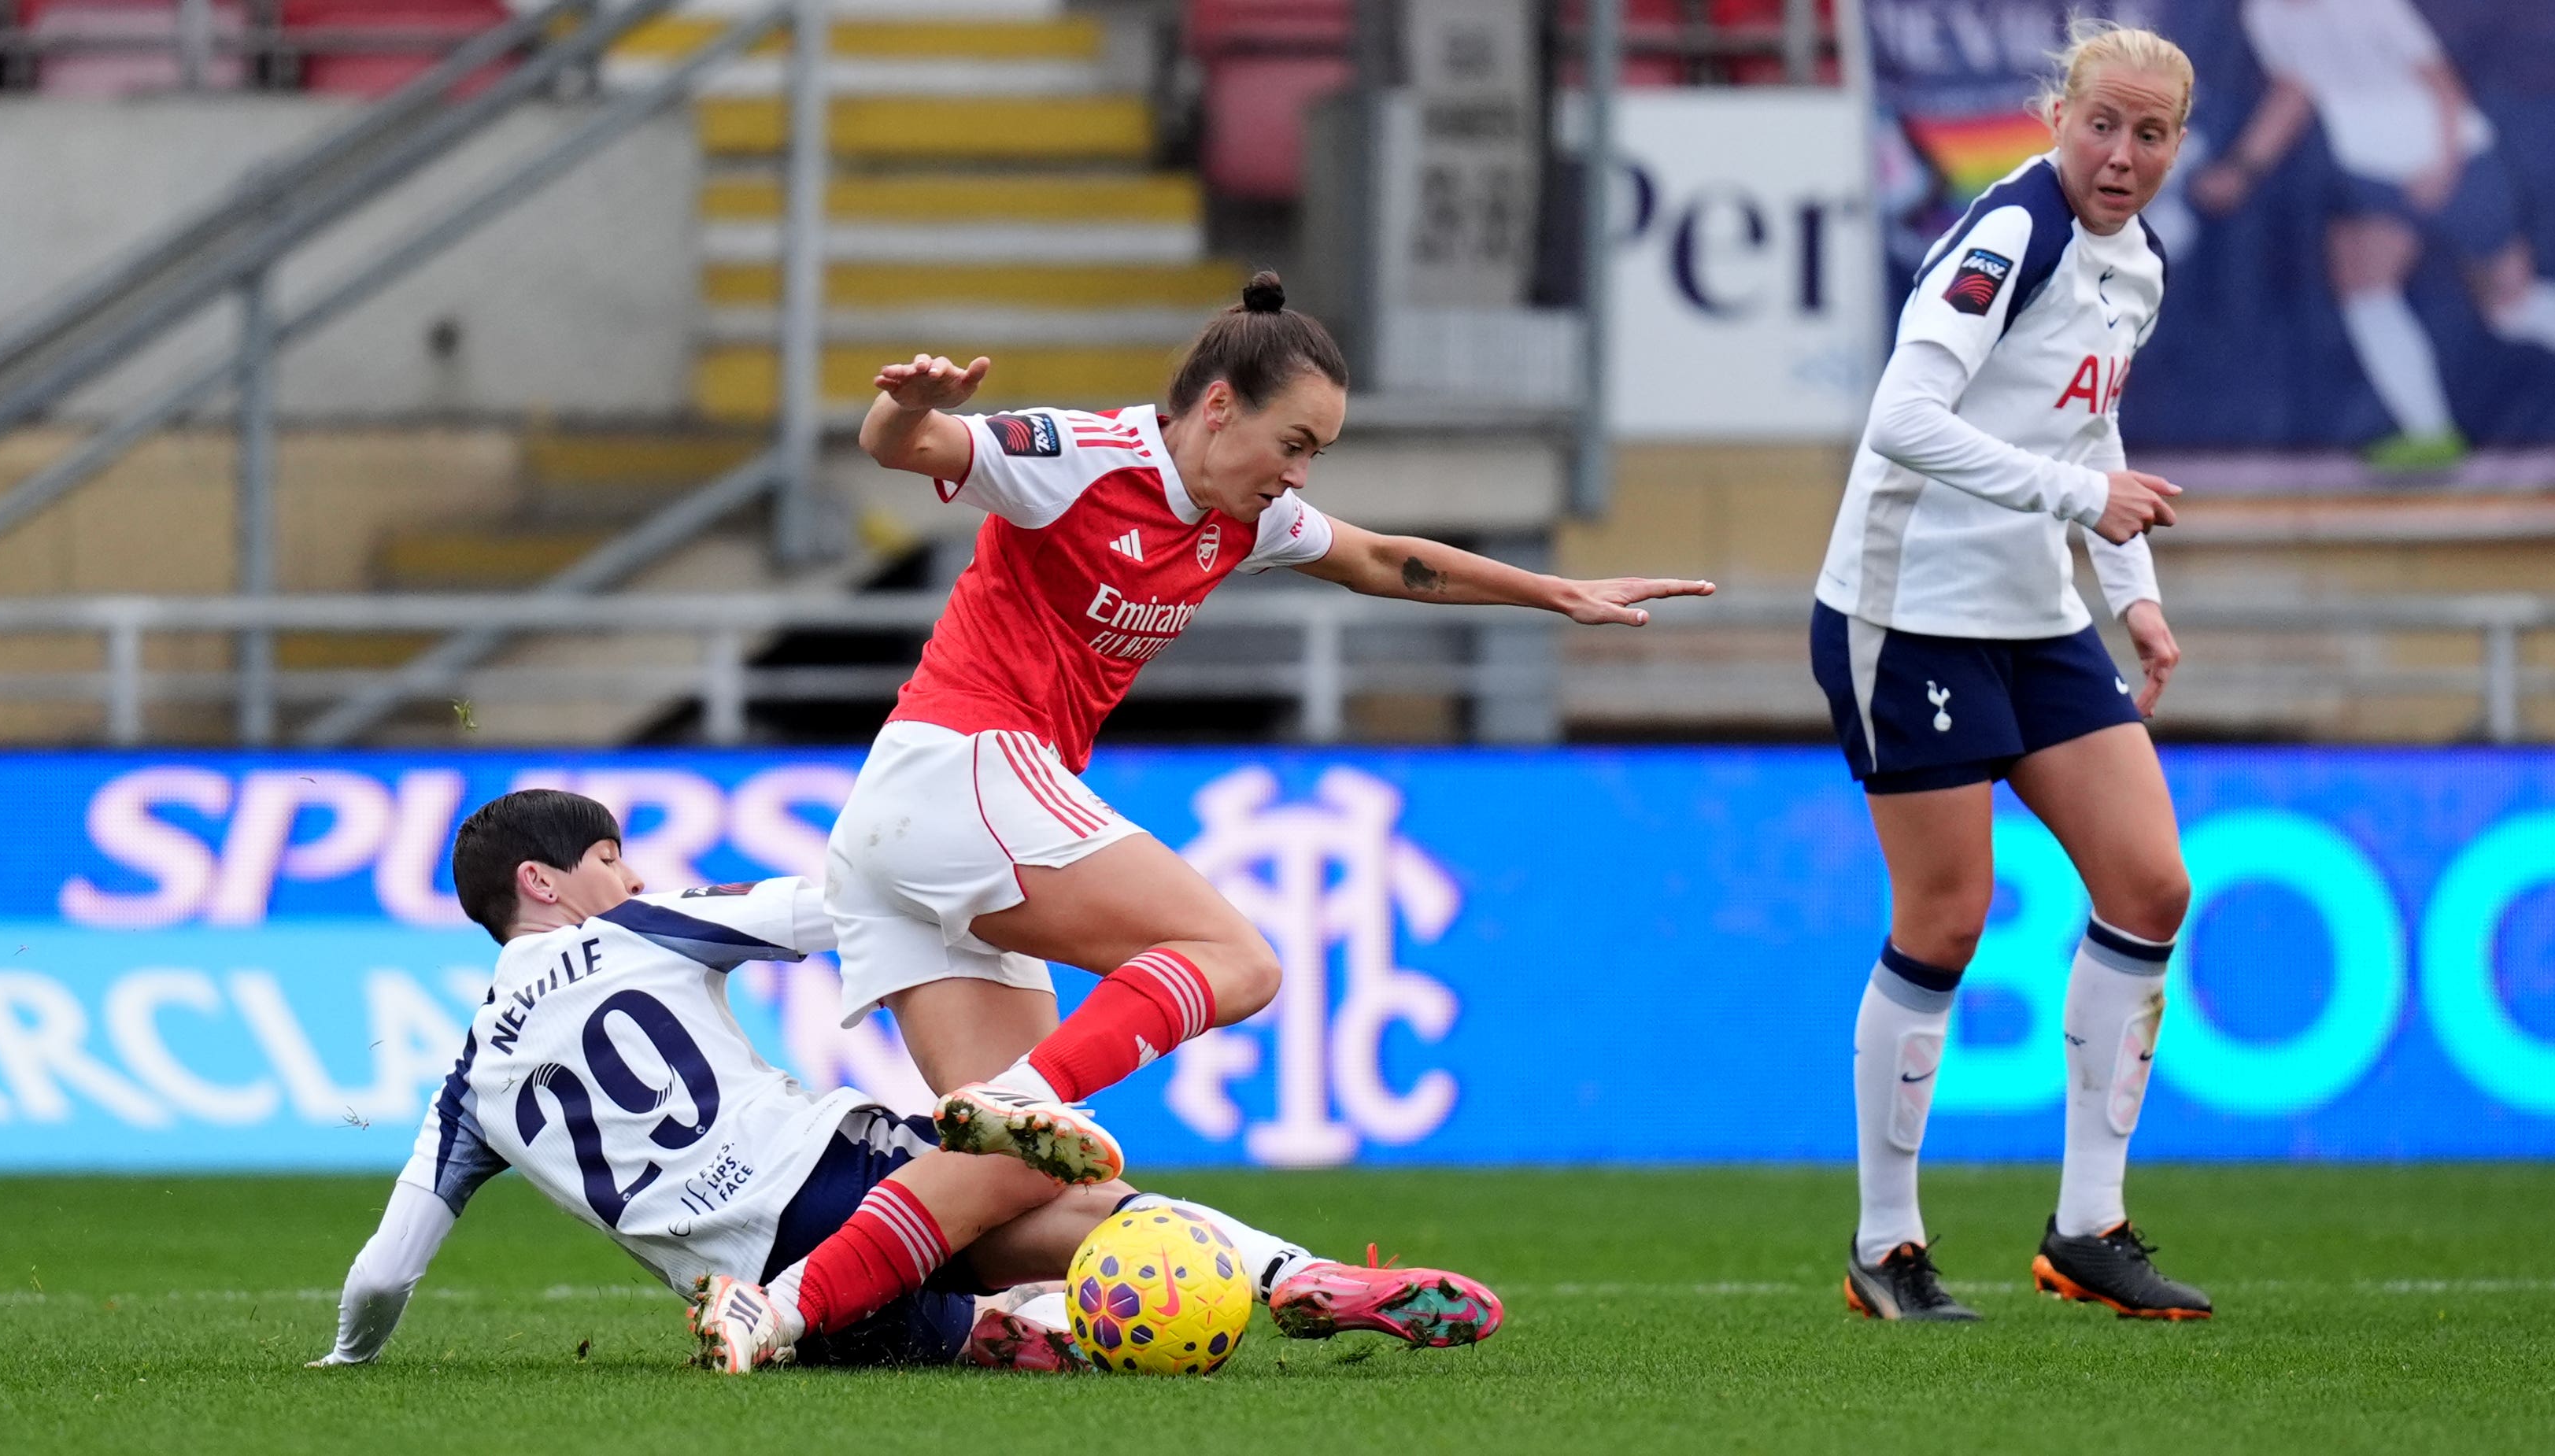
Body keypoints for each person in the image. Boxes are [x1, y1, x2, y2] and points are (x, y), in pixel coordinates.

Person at [838, 272, 1712, 1185]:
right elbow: (901, 444)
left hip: (914, 826)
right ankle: (1024, 1091)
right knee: (1237, 960)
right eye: (1293, 444)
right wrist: (910, 403)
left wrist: (1555, 592)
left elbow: (1380, 558)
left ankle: (825, 1268)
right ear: (1219, 407)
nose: (1298, 475)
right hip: (962, 766)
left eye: (1316, 455)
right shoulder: (1078, 457)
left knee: (1017, 1180)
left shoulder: (1242, 518)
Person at [309, 789, 1503, 1373]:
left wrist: (347, 1361)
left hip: (740, 1268)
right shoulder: (642, 925)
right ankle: (1294, 1273)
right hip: (831, 1175)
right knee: (1054, 1185)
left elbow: (383, 1271)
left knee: (1020, 1315)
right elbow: (834, 907)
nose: (630, 874)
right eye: (611, 858)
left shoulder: (467, 1084)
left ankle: (999, 1326)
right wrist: (994, 895)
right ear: (543, 881)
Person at [1810, 20, 2209, 1322]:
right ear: (2055, 121)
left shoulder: (2135, 263)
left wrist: (2132, 596)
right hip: (1905, 612)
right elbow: (1901, 419)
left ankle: (2087, 1226)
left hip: (2034, 617)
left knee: (2150, 885)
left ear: (2175, 145)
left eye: (2149, 134)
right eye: (2101, 126)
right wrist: (2079, 501)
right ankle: (1885, 1245)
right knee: (1944, 919)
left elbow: (2089, 424)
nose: (2121, 155)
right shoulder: (2011, 234)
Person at [2191, 0, 2555, 471]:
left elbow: (2443, 82)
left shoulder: (2367, 5)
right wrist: (2243, 169)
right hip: (2371, 174)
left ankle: (2433, 433)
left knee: (2512, 309)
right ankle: (2431, 436)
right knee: (2365, 291)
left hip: (2457, 163)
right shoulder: (2265, 13)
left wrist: (2443, 168)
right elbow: (2293, 93)